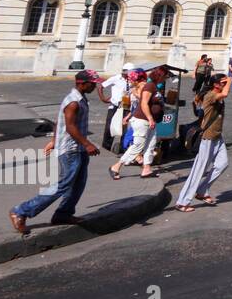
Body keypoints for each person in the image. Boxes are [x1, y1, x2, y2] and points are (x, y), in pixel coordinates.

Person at [10, 71, 102, 232]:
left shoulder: (80, 99)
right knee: (64, 184)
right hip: (70, 149)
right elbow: (70, 126)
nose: (94, 86)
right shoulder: (73, 102)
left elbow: (59, 122)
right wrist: (87, 144)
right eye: (92, 83)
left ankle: (63, 214)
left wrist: (54, 140)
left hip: (77, 148)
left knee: (78, 184)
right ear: (81, 83)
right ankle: (21, 211)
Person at [175, 72, 231, 212]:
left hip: (217, 136)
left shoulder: (216, 94)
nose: (225, 84)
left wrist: (226, 81)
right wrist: (230, 80)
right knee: (199, 169)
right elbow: (224, 94)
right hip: (208, 137)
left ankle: (201, 190)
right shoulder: (210, 95)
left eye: (225, 83)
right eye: (222, 82)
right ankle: (183, 201)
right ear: (215, 85)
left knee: (222, 164)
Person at [110, 67, 160, 179]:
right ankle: (116, 166)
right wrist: (150, 118)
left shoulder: (140, 86)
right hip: (143, 120)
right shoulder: (144, 86)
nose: (130, 81)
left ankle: (146, 169)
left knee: (150, 144)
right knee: (138, 145)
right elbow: (143, 103)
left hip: (147, 119)